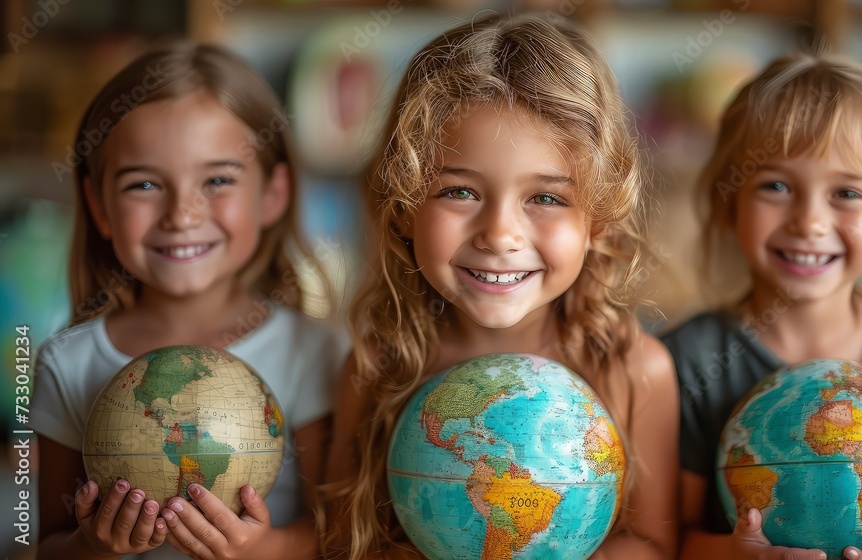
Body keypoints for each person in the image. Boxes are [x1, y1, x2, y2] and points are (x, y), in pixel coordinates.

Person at [321, 13, 680, 560]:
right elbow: (341, 544)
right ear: (403, 208)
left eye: (546, 198)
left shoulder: (633, 368)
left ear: (598, 221)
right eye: (460, 192)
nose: (499, 235)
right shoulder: (378, 367)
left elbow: (653, 545)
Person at [33, 41, 348, 560]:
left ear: (273, 192)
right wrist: (96, 546)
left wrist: (261, 549)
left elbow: (337, 540)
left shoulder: (315, 350)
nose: (182, 213)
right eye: (145, 184)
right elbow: (41, 546)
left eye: (218, 179)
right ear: (98, 205)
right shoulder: (65, 363)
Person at [662, 52, 862, 560]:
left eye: (846, 192)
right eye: (776, 186)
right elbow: (675, 541)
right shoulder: (683, 361)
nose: (809, 221)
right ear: (728, 203)